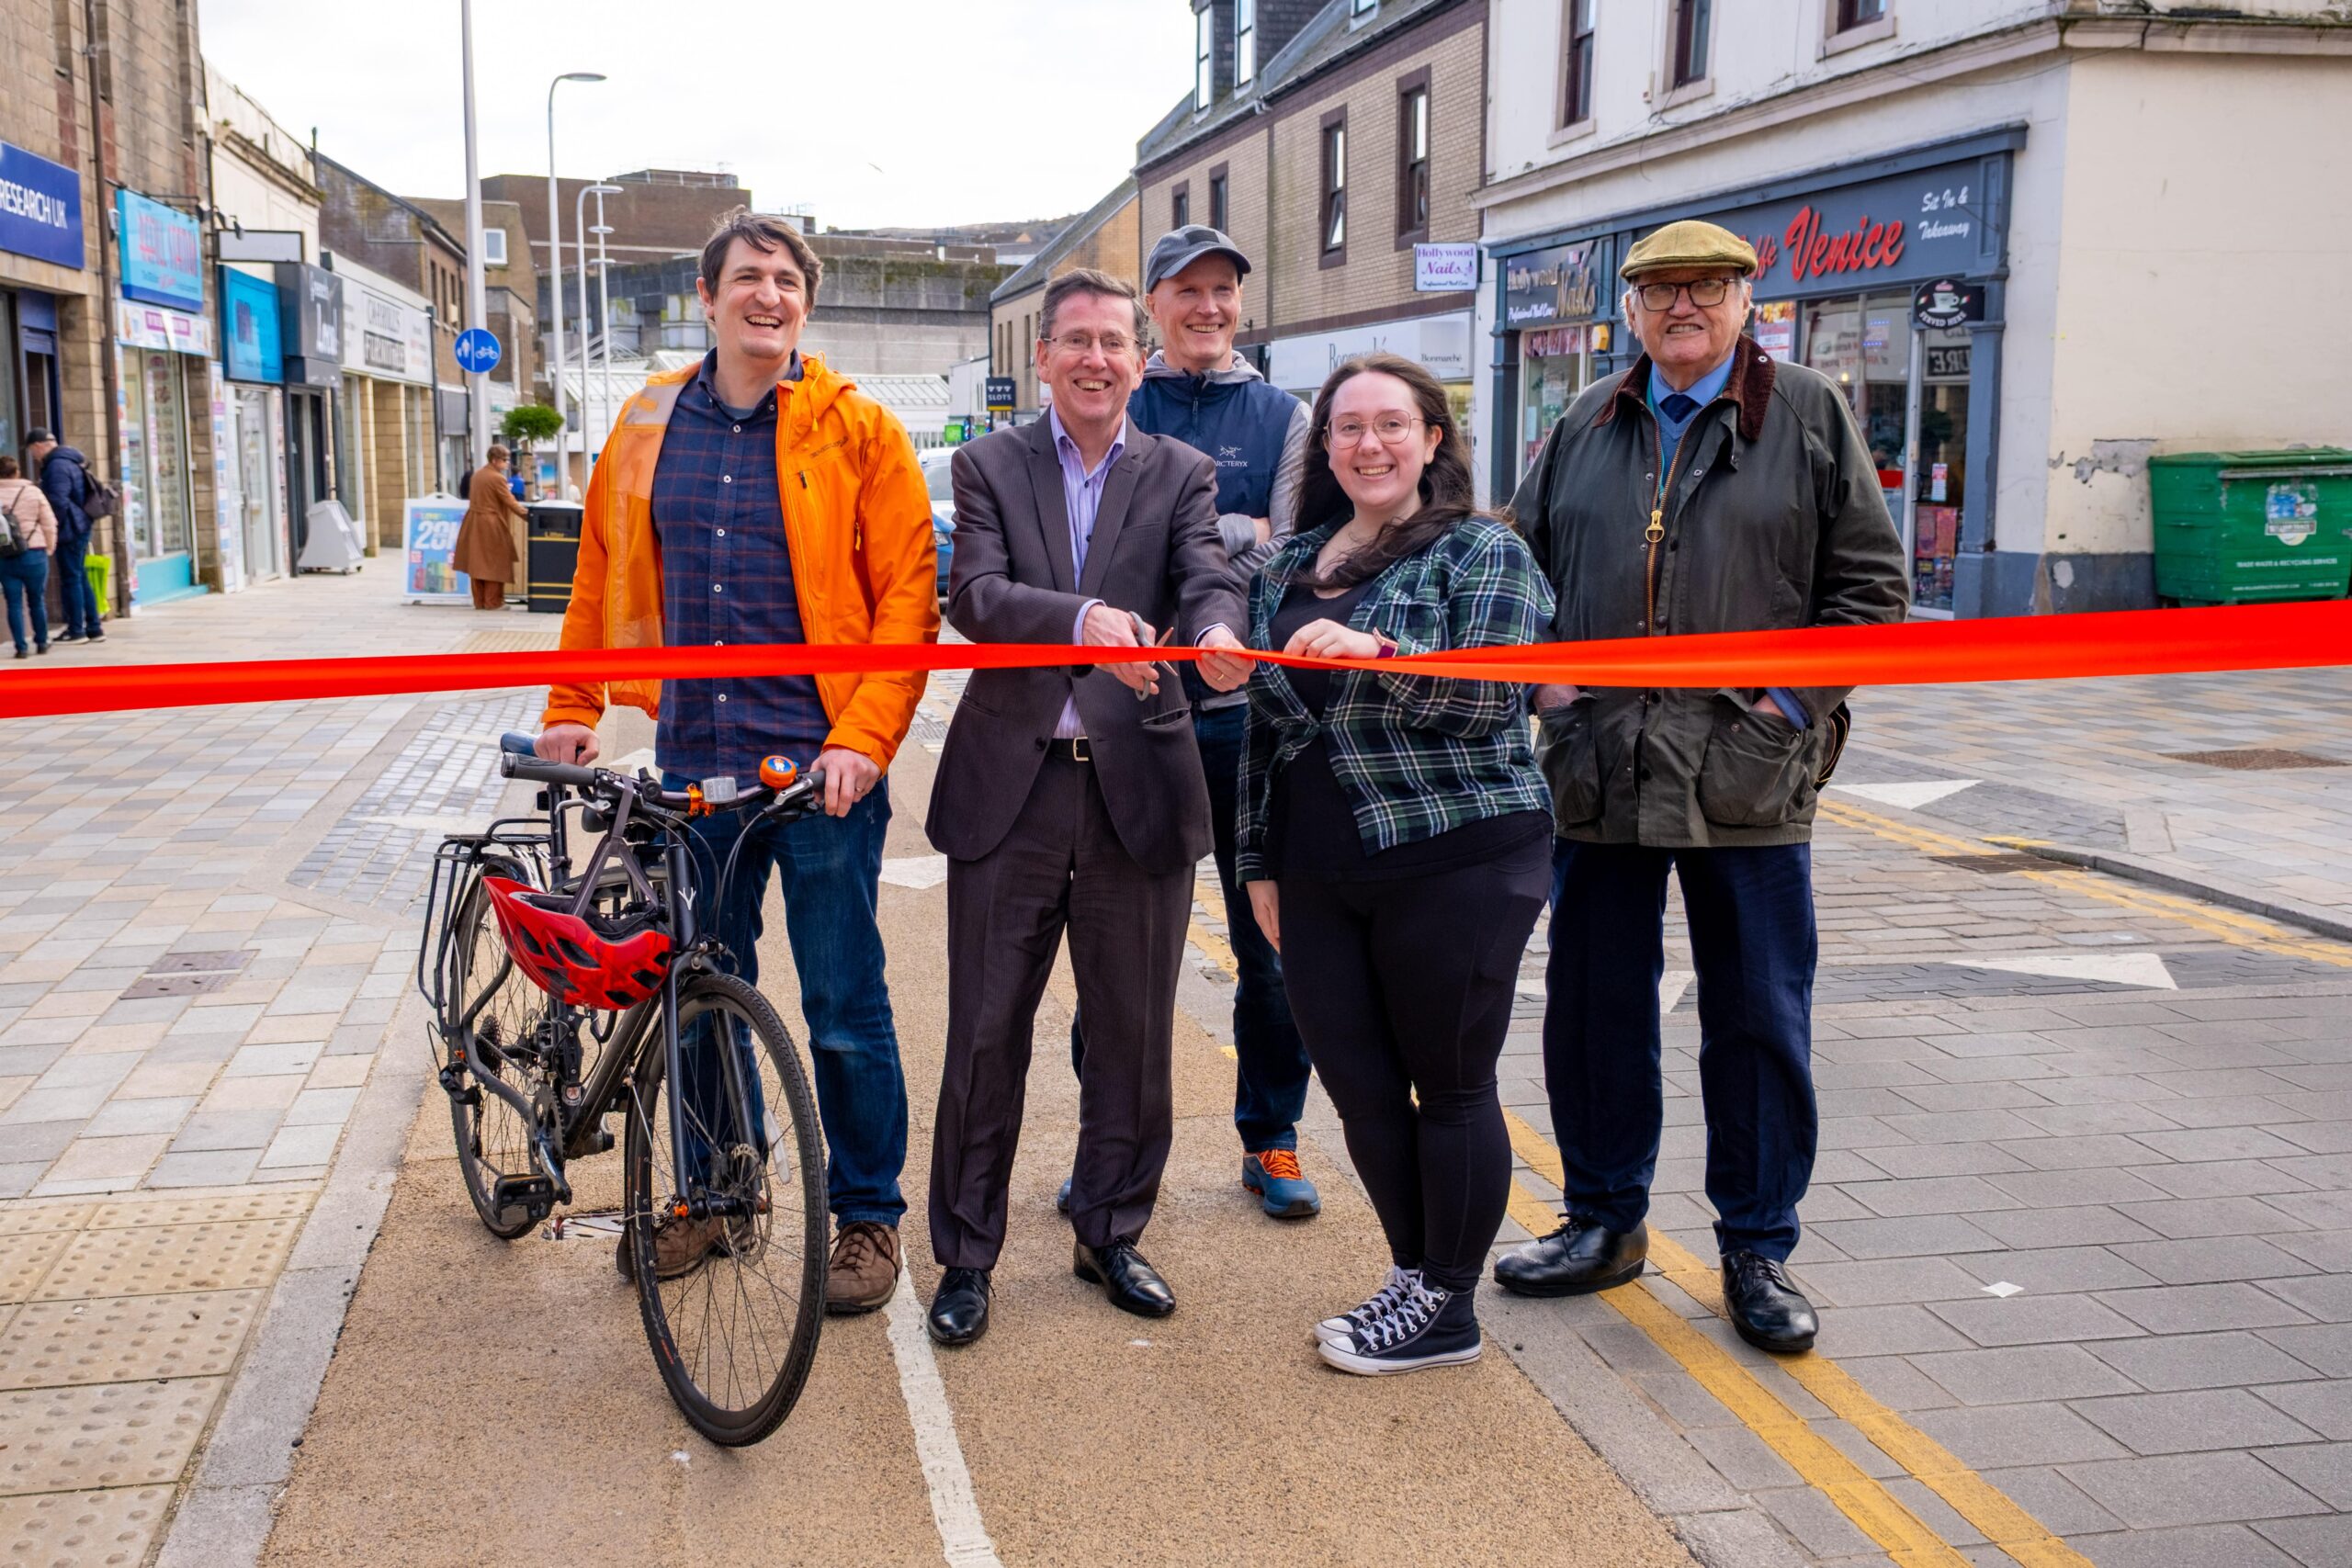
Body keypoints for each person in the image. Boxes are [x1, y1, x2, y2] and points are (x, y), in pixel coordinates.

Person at [1497, 220, 1907, 1353]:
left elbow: (1872, 594)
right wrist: (1546, 691)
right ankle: (1602, 1222)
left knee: (1758, 1022)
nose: (1682, 307)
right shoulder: (1582, 422)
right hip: (1601, 775)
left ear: (1744, 302)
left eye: (1707, 288)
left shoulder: (1811, 416)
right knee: (1593, 1012)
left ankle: (1757, 1249)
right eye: (1660, 291)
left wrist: (1781, 710)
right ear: (1628, 311)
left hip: (1748, 782)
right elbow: (1517, 577)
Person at [535, 207, 939, 1314]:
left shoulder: (858, 430)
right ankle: (717, 1194)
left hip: (820, 771)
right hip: (690, 765)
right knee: (701, 998)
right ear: (706, 299)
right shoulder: (646, 420)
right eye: (748, 278)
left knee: (846, 1004)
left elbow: (910, 599)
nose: (770, 295)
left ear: (804, 304)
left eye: (788, 281)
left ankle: (867, 1219)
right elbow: (597, 572)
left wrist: (864, 742)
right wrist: (574, 704)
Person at [922, 267, 1250, 1348]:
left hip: (1136, 792)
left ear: (1139, 358)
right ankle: (967, 1256)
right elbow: (973, 597)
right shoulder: (986, 465)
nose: (1097, 359)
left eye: (1115, 341)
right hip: (1009, 795)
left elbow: (1206, 578)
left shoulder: (1182, 472)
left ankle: (1111, 1229)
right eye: (1076, 342)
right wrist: (1086, 619)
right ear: (1047, 360)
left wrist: (1209, 634)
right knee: (983, 1034)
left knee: (1131, 1035)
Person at [1236, 354, 1554, 1375]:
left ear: (1432, 440)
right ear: (1324, 445)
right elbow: (1264, 728)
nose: (1367, 445)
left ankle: (1445, 1305)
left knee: (1450, 1084)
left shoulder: (1482, 553)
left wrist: (1378, 655)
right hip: (1322, 865)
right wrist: (1257, 860)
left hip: (1459, 854)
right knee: (1360, 1089)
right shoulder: (1287, 564)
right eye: (1347, 427)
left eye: (1390, 425)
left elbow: (1489, 699)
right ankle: (1417, 1278)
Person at [1058, 225, 1320, 1223]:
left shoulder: (1281, 413)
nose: (1207, 308)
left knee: (1272, 942)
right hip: (1132, 715)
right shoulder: (1119, 392)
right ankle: (1103, 1147)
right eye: (1187, 292)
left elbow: (1290, 549)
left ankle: (1273, 1139)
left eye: (1224, 291)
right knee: (1119, 947)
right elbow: (1091, 545)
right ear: (1151, 307)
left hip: (1243, 716)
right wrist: (1207, 546)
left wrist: (1197, 566)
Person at [27, 430, 102, 644]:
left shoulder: (57, 466)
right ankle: (94, 628)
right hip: (79, 525)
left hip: (70, 528)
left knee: (71, 579)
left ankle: (76, 630)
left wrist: (51, 525)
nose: (33, 455)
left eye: (33, 450)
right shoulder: (69, 460)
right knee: (79, 577)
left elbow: (58, 501)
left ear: (40, 445)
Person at [453, 445, 528, 610]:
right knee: (495, 562)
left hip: (473, 521)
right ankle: (493, 602)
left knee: (477, 563)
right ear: (495, 460)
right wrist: (529, 516)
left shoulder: (477, 475)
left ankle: (479, 601)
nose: (508, 463)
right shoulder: (497, 478)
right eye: (505, 460)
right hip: (491, 523)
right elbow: (510, 502)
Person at [0, 456, 58, 659]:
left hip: (5, 555)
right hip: (34, 551)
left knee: (13, 602)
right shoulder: (33, 492)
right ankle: (41, 642)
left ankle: (20, 647)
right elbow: (49, 523)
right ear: (17, 472)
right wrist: (49, 548)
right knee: (36, 600)